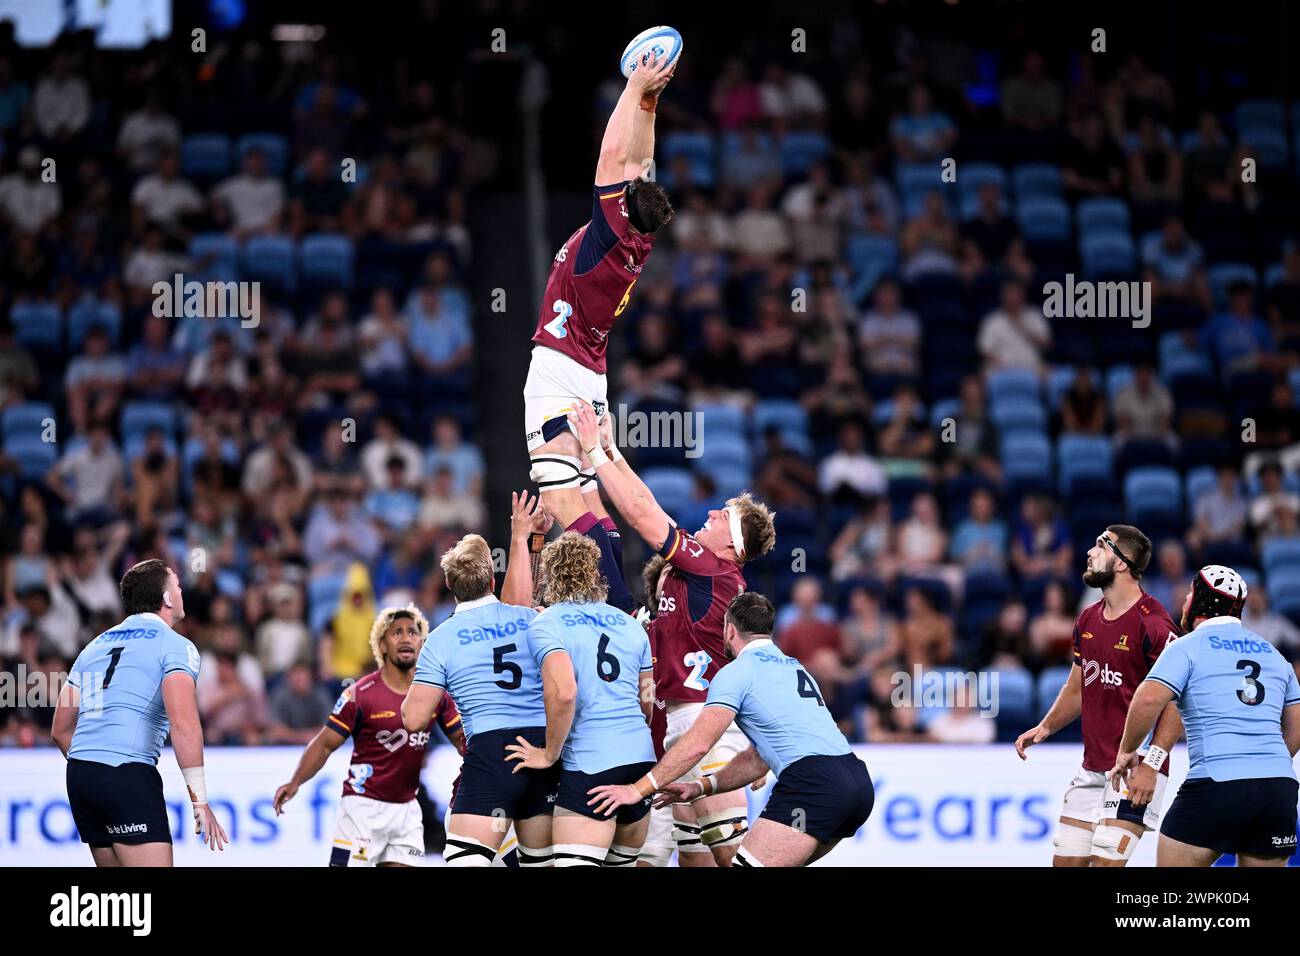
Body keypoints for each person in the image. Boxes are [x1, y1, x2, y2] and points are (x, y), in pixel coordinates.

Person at [569, 401, 777, 866]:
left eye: (723, 515)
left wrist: (596, 456)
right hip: (681, 728)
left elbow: (645, 517)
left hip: (700, 725)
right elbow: (650, 507)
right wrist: (611, 451)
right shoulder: (705, 574)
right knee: (696, 861)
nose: (711, 514)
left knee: (731, 860)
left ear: (734, 542)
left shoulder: (713, 569)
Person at [522, 51, 677, 612]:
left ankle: (619, 614)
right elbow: (639, 160)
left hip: (558, 373)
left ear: (620, 207)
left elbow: (615, 154)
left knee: (569, 509)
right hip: (589, 376)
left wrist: (632, 83)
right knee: (595, 515)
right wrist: (650, 104)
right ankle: (624, 607)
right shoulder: (638, 235)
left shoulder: (607, 235)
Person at [588, 592, 874, 867]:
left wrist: (637, 791)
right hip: (857, 784)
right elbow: (757, 759)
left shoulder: (735, 672)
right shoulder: (794, 666)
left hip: (814, 784)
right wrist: (701, 787)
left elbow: (698, 744)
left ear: (729, 630)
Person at [1014, 525, 1183, 867]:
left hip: (1134, 768)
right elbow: (1078, 687)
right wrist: (1045, 727)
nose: (1090, 553)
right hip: (1092, 769)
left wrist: (1151, 766)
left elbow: (1176, 704)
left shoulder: (1154, 625)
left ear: (1123, 563)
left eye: (1101, 546)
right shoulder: (1088, 617)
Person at [1110, 566, 1300, 866]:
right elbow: (1295, 730)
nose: (1186, 599)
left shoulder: (1186, 647)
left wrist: (1127, 751)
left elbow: (1147, 701)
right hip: (1279, 788)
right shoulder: (1275, 655)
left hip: (1217, 783)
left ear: (1200, 601)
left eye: (1190, 593)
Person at [51, 559, 229, 866]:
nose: (181, 590)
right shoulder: (175, 645)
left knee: (123, 908)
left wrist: (96, 769)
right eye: (177, 585)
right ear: (167, 599)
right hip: (126, 772)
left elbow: (60, 729)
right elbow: (184, 724)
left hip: (81, 776)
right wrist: (199, 800)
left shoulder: (94, 646)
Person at [401, 533, 555, 867]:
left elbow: (413, 719)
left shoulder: (440, 640)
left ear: (448, 583)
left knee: (465, 858)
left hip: (491, 756)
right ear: (491, 579)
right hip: (545, 752)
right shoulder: (532, 619)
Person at [505, 533, 657, 866]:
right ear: (596, 574)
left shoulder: (547, 623)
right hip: (640, 763)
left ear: (549, 575)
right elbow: (647, 697)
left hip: (591, 764)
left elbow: (564, 692)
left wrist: (549, 754)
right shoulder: (632, 626)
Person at [272, 604, 464, 866]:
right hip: (362, 811)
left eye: (413, 632)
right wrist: (295, 782)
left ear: (421, 643)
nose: (406, 637)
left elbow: (464, 742)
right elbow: (325, 744)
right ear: (382, 645)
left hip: (407, 810)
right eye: (397, 632)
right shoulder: (360, 694)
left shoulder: (434, 694)